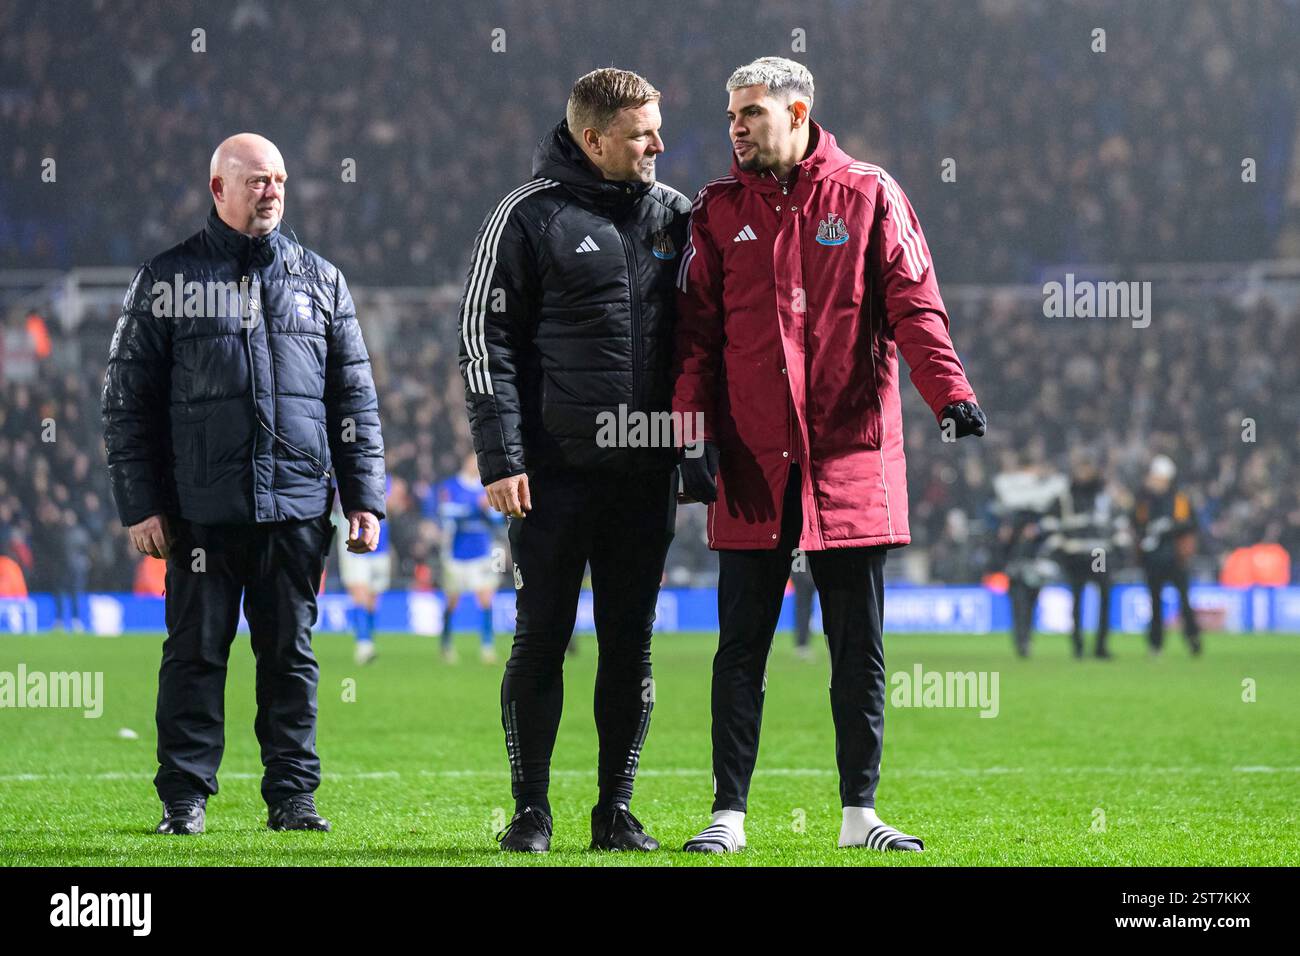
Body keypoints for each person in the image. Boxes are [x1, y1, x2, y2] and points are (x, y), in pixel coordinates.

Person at [673, 58, 985, 854]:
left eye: (751, 113)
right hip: (749, 465)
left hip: (849, 462)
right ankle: (727, 817)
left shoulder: (870, 194)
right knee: (739, 648)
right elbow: (696, 341)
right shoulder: (715, 212)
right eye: (731, 116)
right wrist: (687, 436)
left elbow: (915, 300)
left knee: (859, 647)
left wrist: (949, 393)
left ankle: (860, 817)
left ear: (799, 110)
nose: (736, 128)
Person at [102, 133, 386, 836]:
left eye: (280, 179)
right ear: (218, 189)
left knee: (291, 659)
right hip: (200, 513)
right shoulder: (165, 280)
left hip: (294, 509)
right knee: (195, 655)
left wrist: (365, 496)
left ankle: (292, 798)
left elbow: (355, 400)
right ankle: (185, 797)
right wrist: (141, 505)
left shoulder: (322, 280)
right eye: (257, 180)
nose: (271, 191)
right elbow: (127, 401)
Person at [458, 68, 689, 853]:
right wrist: (502, 457)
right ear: (593, 140)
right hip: (552, 475)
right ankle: (531, 811)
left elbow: (703, 345)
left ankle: (614, 810)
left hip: (644, 474)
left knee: (631, 643)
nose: (658, 143)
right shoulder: (525, 217)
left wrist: (694, 455)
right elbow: (482, 343)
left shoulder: (675, 216)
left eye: (657, 128)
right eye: (640, 133)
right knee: (542, 636)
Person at [1042, 454, 1121, 659]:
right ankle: (1078, 646)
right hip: (1075, 553)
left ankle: (1100, 646)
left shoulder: (1104, 496)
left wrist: (1119, 548)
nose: (1084, 474)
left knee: (1104, 598)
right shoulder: (1064, 497)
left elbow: (1118, 522)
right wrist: (1060, 548)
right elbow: (1051, 525)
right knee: (1077, 600)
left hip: (1098, 553)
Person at [430, 452, 502, 665]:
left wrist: (488, 510)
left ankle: (487, 647)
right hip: (456, 553)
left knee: (486, 598)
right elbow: (446, 512)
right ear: (466, 463)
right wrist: (475, 508)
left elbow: (498, 519)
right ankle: (446, 644)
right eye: (474, 462)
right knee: (452, 601)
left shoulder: (488, 487)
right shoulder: (451, 486)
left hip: (482, 552)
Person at [1134, 455, 1202, 656]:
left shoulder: (1179, 498)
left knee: (1184, 600)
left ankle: (1192, 638)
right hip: (1152, 559)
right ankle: (1156, 643)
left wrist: (1168, 528)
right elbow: (1137, 522)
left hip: (1175, 557)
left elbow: (1190, 523)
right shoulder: (1144, 499)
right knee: (1155, 602)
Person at [333, 479, 394, 666]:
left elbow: (394, 503)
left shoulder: (385, 478)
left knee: (372, 599)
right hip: (355, 546)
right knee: (360, 593)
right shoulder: (342, 480)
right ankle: (363, 644)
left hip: (380, 548)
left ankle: (368, 639)